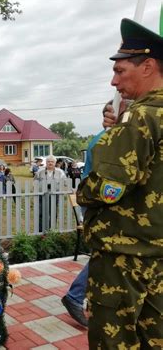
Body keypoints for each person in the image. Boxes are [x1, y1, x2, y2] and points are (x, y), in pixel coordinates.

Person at [77, 18, 163, 348]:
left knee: (114, 341)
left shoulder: (139, 116)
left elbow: (108, 186)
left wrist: (84, 192)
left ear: (148, 66)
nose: (114, 81)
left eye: (121, 71)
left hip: (124, 257)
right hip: (157, 253)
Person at [61, 98, 132, 328]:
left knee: (106, 254)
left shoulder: (104, 138)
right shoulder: (107, 140)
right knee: (105, 254)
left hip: (97, 202)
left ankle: (89, 299)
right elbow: (109, 182)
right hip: (100, 204)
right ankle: (76, 296)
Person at [34, 155, 66, 232]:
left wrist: (72, 189)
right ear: (46, 162)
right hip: (42, 195)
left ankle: (52, 229)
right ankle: (41, 230)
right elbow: (35, 182)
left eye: (52, 162)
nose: (50, 163)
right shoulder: (40, 171)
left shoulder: (60, 172)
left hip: (55, 195)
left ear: (55, 163)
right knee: (41, 213)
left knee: (53, 213)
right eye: (48, 161)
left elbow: (66, 182)